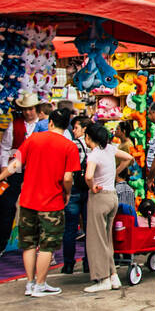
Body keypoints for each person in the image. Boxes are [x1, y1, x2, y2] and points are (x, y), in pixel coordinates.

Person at [0, 107, 82, 298]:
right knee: (47, 246)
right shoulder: (69, 146)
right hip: (52, 202)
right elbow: (67, 178)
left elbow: (15, 164)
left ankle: (30, 283)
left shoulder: (33, 139)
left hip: (28, 200)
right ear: (67, 126)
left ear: (50, 123)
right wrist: (66, 193)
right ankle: (40, 284)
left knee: (29, 244)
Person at [83, 122, 131, 293]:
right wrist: (115, 172)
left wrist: (92, 185)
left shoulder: (94, 155)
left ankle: (102, 278)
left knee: (96, 240)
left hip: (99, 197)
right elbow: (129, 158)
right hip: (112, 196)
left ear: (89, 137)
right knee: (107, 239)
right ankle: (113, 275)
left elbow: (89, 175)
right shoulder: (110, 149)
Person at [0, 93, 40, 260]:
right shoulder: (15, 125)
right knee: (7, 205)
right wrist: (4, 167)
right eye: (25, 109)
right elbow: (5, 148)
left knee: (36, 206)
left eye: (31, 109)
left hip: (35, 170)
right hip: (16, 169)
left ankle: (36, 245)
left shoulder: (42, 125)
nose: (28, 112)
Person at [60, 113, 91, 274]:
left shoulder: (72, 145)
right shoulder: (95, 146)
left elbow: (68, 171)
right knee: (89, 228)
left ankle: (68, 263)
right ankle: (88, 262)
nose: (74, 130)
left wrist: (66, 190)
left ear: (84, 129)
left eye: (77, 127)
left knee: (70, 228)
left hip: (73, 190)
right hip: (89, 188)